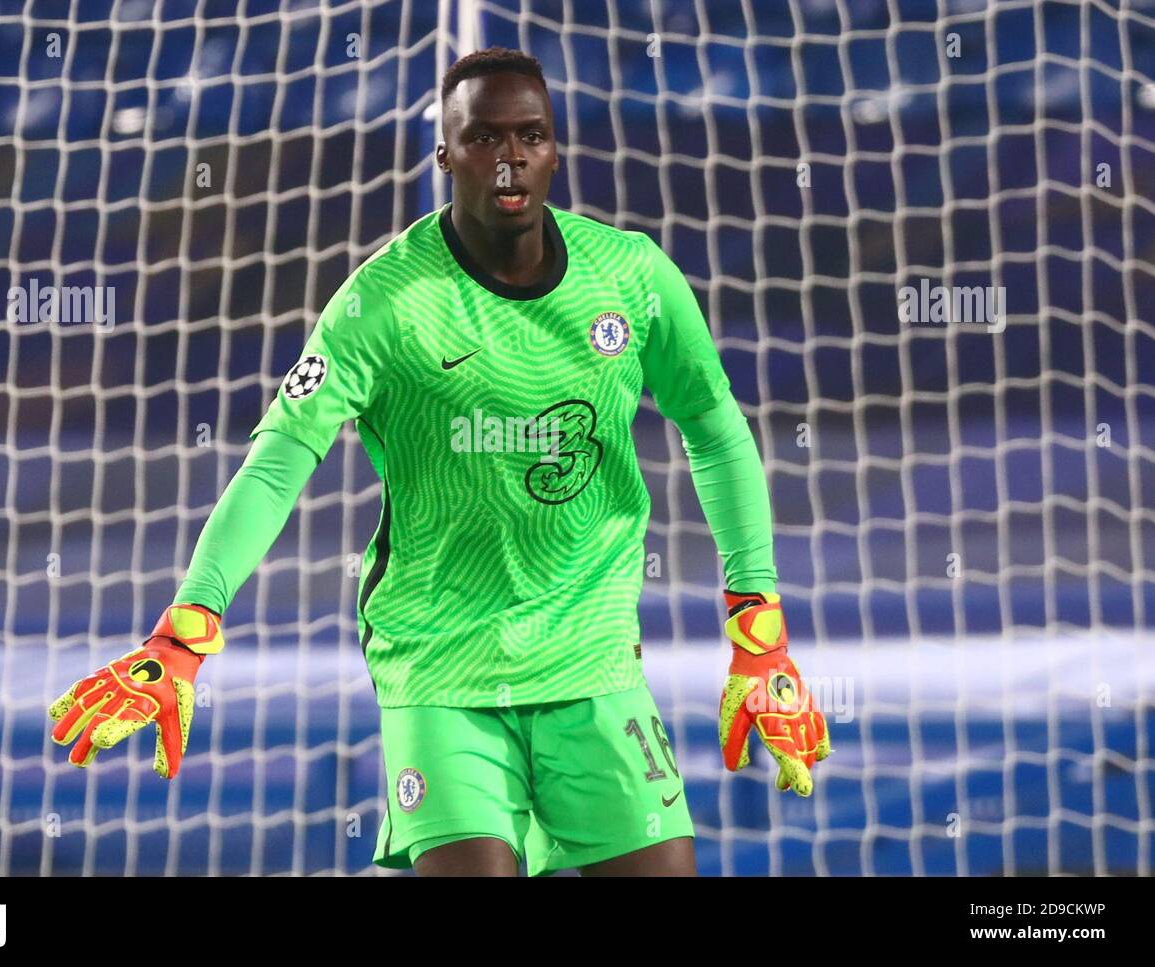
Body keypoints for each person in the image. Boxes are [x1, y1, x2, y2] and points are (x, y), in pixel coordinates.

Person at [49, 47, 830, 876]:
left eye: (530, 135)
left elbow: (714, 426)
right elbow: (278, 464)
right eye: (485, 138)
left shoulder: (632, 277)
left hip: (593, 659)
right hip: (440, 665)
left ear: (556, 149)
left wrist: (760, 629)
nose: (511, 157)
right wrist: (185, 632)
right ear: (445, 153)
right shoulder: (385, 302)